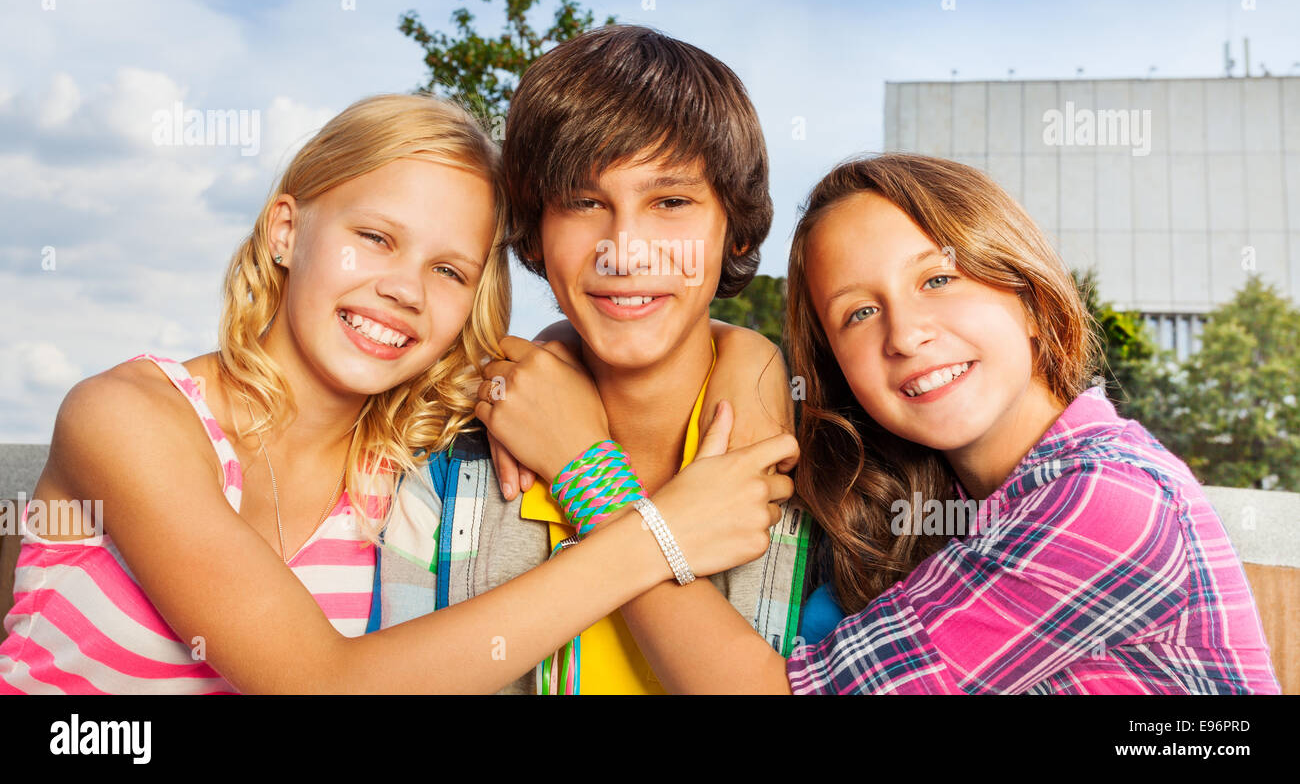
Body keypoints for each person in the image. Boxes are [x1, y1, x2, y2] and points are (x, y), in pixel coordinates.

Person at [0, 93, 794, 694]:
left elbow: (586, 360)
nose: (404, 291)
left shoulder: (412, 452)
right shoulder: (128, 417)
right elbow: (317, 683)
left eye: (448, 270)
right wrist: (652, 528)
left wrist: (754, 360)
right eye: (374, 238)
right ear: (285, 230)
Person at [488, 153, 1282, 694]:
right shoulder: (950, 506)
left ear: (1034, 302)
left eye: (939, 278)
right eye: (859, 312)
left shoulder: (1108, 499)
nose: (904, 334)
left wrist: (587, 469)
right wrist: (562, 346)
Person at [373, 25, 813, 694]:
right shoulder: (446, 477)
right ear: (536, 235)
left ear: (735, 229)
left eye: (670, 201)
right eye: (584, 203)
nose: (625, 250)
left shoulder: (831, 489)